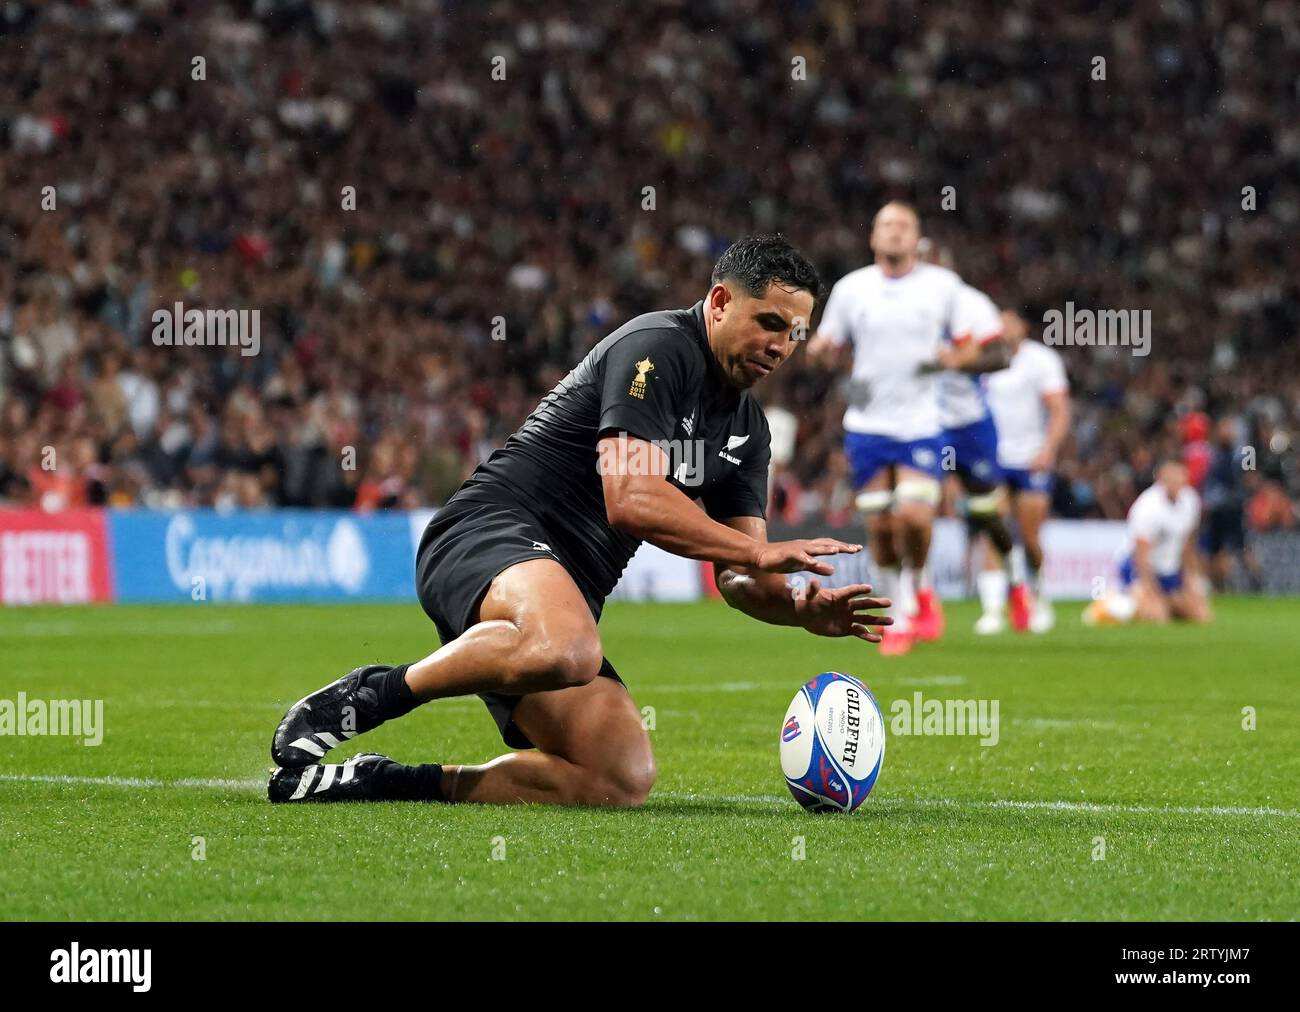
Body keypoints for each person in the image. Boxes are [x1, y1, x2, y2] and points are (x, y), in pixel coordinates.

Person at [267, 235, 891, 807]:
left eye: (795, 333)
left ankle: (385, 781)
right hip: (489, 528)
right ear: (721, 301)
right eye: (770, 323)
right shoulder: (658, 350)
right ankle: (372, 695)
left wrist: (796, 607)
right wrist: (756, 555)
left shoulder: (748, 433)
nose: (781, 346)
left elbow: (738, 576)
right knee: (567, 647)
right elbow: (632, 498)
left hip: (561, 594)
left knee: (617, 777)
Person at [807, 202, 989, 655]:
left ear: (917, 238)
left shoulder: (943, 287)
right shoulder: (852, 289)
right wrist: (821, 352)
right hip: (867, 423)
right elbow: (827, 347)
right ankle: (900, 608)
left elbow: (975, 346)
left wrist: (957, 358)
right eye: (885, 225)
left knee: (914, 517)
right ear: (872, 237)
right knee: (882, 529)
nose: (894, 233)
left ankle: (916, 596)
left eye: (903, 226)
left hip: (921, 423)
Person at [979, 307, 1070, 633]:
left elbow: (1059, 410)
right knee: (994, 532)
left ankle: (1038, 596)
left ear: (1023, 326)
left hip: (1031, 458)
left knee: (1030, 536)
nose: (1003, 327)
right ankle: (992, 610)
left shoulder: (1042, 361)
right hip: (993, 459)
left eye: (1009, 320)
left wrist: (1049, 449)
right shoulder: (983, 359)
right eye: (998, 321)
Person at [1084, 459, 1211, 625]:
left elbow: (1187, 546)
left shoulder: (1190, 501)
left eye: (1179, 476)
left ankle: (1157, 602)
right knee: (1157, 616)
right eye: (1171, 477)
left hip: (1169, 570)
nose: (1176, 482)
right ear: (1161, 478)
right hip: (1140, 567)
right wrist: (1152, 591)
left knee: (1201, 616)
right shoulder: (1147, 507)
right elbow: (1141, 556)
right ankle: (1111, 605)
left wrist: (1189, 580)